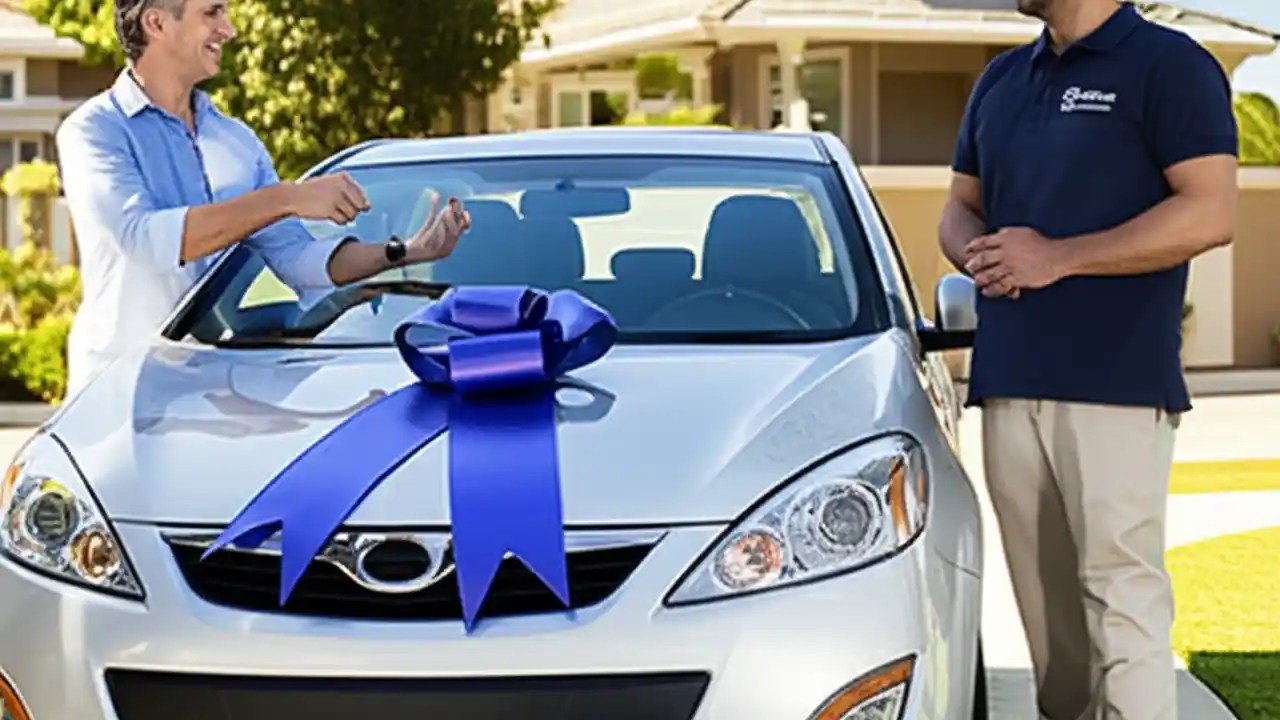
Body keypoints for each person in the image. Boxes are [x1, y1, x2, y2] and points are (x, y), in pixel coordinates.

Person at [939, 0, 1237, 718]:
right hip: (1008, 381)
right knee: (1050, 622)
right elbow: (959, 207)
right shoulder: (1003, 78)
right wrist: (984, 255)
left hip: (1116, 383)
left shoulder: (1170, 66)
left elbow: (1210, 212)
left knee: (1120, 594)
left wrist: (1056, 259)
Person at [56, 0, 470, 394]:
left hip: (213, 388)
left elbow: (297, 261)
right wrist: (285, 198)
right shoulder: (94, 132)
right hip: (117, 392)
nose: (229, 29)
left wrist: (404, 251)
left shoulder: (237, 141)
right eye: (212, 12)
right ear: (157, 23)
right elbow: (145, 240)